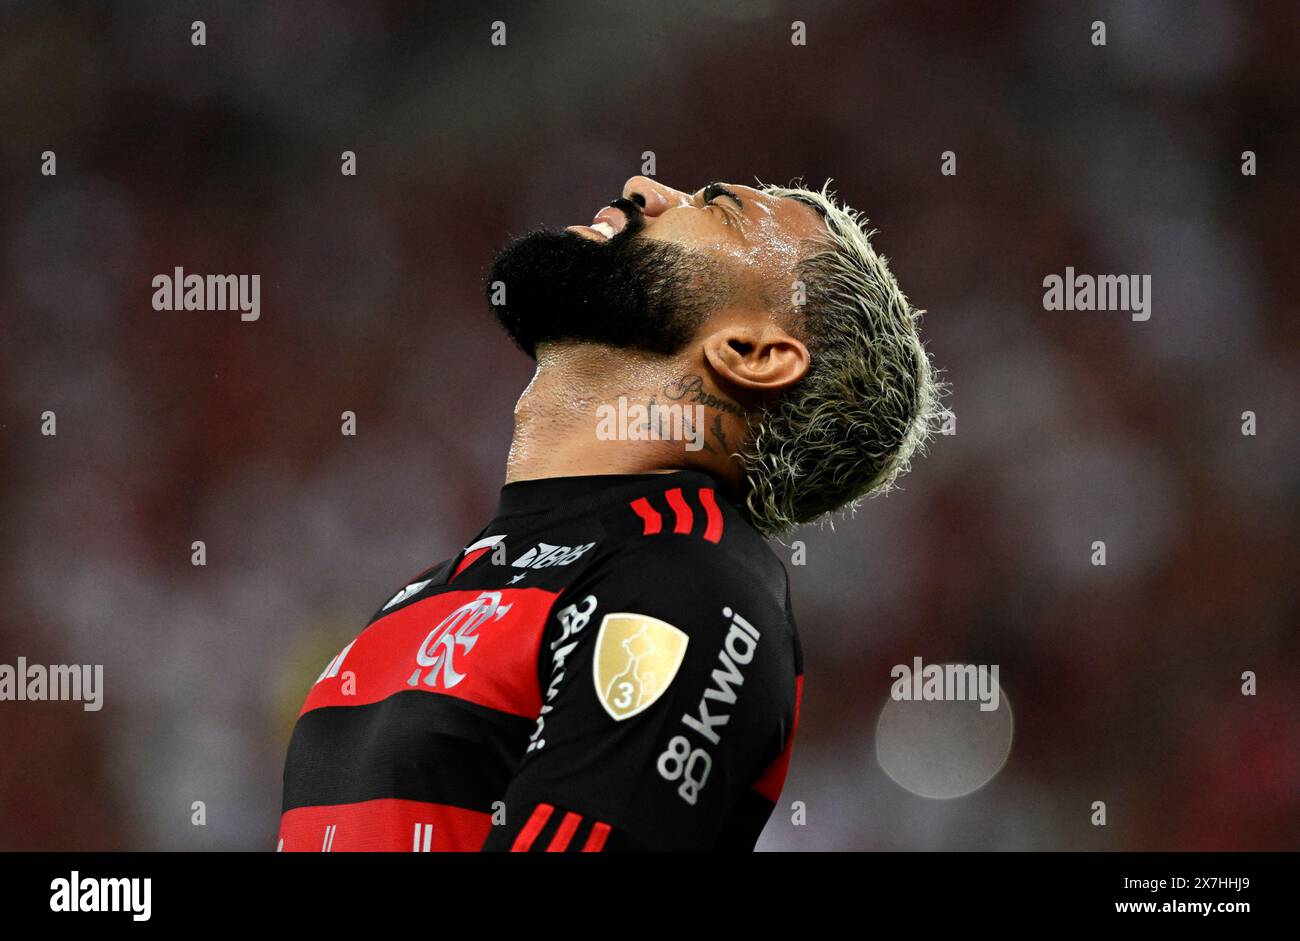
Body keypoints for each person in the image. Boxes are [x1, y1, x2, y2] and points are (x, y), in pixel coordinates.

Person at [278, 175, 939, 851]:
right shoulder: (440, 585)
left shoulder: (689, 587)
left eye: (718, 209)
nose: (644, 188)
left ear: (751, 353)